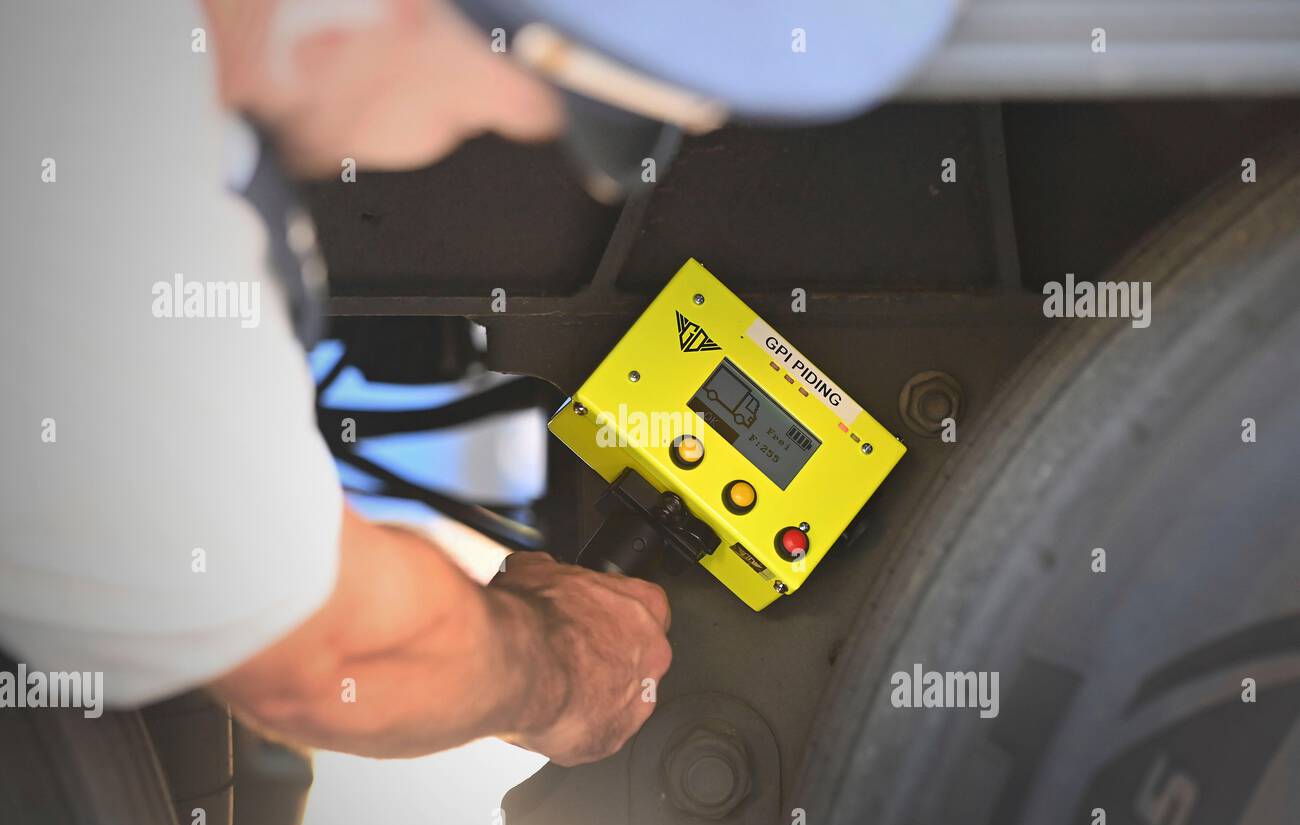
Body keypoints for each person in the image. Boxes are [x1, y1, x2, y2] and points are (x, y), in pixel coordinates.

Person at [0, 0, 952, 766]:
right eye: (545, 99)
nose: (503, 126)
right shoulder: (94, 214)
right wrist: (563, 668)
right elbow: (325, 657)